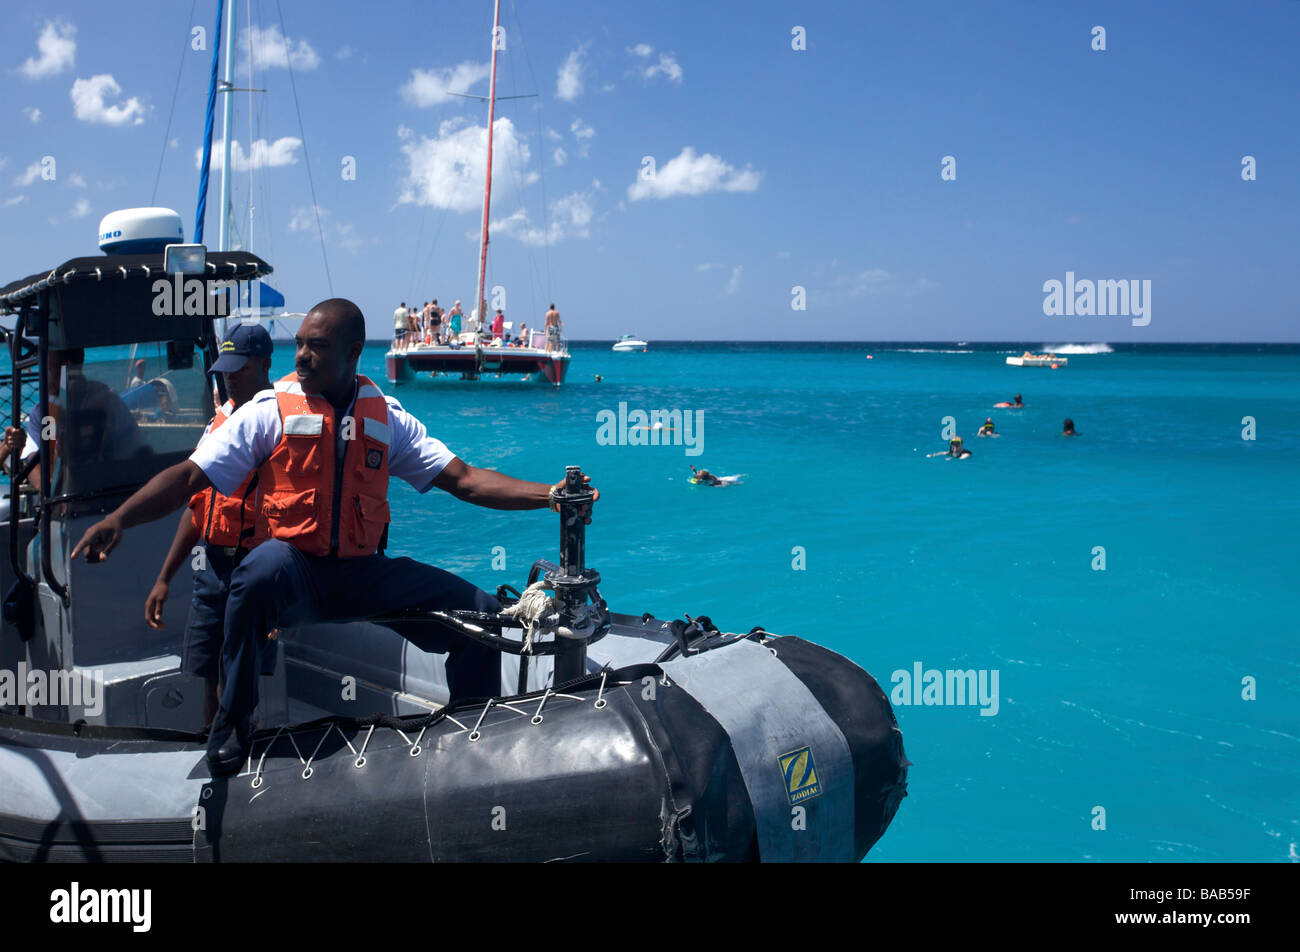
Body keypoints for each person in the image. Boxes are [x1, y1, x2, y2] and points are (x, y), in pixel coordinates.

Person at [71, 298, 598, 777]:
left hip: (361, 573)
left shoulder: (386, 418)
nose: (300, 356)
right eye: (298, 344)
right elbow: (190, 478)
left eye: (316, 347)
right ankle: (232, 723)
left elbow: (464, 480)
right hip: (295, 572)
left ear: (352, 353)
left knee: (477, 616)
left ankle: (469, 738)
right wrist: (120, 519)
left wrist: (550, 494)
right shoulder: (268, 412)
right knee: (256, 573)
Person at [145, 324, 274, 728]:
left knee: (240, 676)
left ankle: (239, 758)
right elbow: (196, 504)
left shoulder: (279, 423)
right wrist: (164, 577)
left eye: (240, 368)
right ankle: (211, 747)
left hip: (256, 566)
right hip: (213, 569)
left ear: (265, 364)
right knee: (209, 674)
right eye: (225, 369)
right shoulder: (219, 423)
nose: (230, 376)